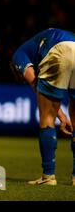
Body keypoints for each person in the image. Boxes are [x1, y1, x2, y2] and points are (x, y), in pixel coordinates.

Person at [10, 28, 75, 186]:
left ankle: (48, 176)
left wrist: (60, 116)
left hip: (59, 50)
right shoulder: (39, 40)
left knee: (46, 116)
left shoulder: (18, 56)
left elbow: (34, 83)